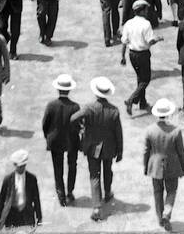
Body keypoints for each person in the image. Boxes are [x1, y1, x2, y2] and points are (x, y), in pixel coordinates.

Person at [77, 76, 124, 222]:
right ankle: (108, 192)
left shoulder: (89, 108)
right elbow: (119, 133)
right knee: (107, 171)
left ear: (96, 93)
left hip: (92, 147)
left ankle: (96, 207)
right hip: (109, 148)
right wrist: (120, 151)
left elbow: (73, 118)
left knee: (94, 175)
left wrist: (81, 127)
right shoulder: (114, 111)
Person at [143, 98, 184, 230]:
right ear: (168, 114)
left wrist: (146, 167)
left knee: (157, 192)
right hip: (172, 166)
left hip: (155, 166)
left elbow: (146, 151)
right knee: (171, 191)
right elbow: (181, 152)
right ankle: (167, 213)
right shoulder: (176, 131)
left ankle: (159, 218)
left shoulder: (150, 130)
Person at [42, 73, 82, 207]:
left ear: (58, 89)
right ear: (69, 90)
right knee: (72, 166)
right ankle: (70, 192)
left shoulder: (51, 105)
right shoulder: (75, 107)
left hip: (56, 141)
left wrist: (47, 137)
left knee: (57, 169)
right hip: (71, 141)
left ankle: (61, 196)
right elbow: (79, 125)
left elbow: (45, 124)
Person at [0, 150, 42, 230]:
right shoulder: (8, 179)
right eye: (19, 166)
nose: (22, 168)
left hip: (26, 214)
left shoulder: (32, 178)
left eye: (23, 166)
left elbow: (36, 198)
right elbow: (1, 198)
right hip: (11, 214)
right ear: (15, 165)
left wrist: (39, 216)